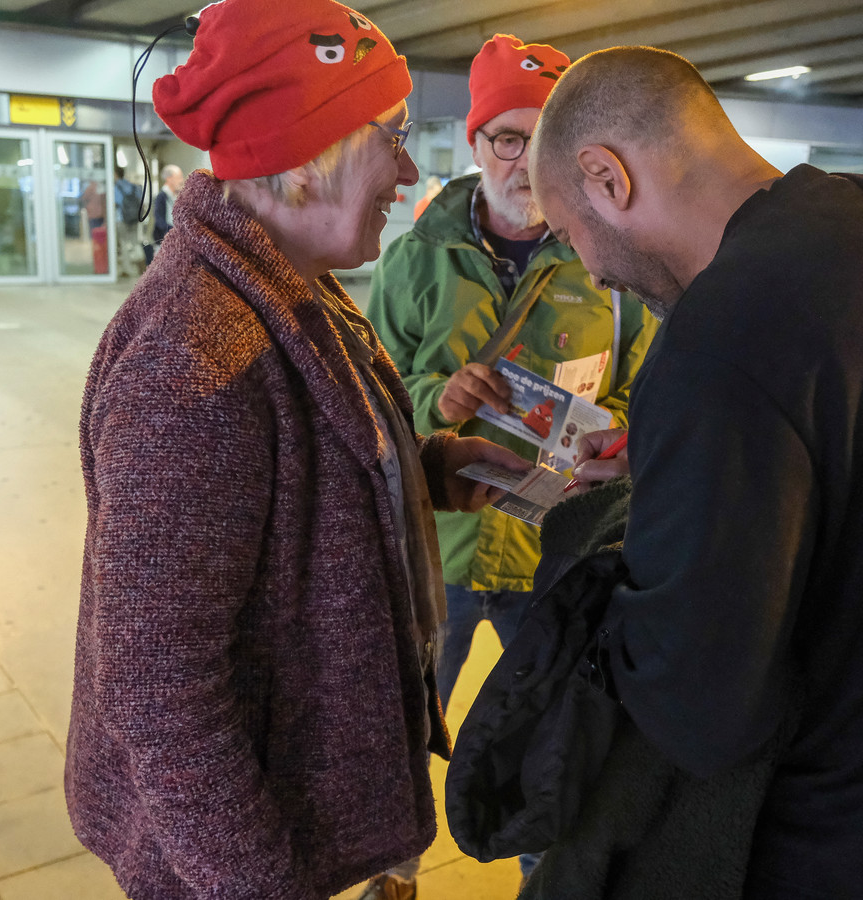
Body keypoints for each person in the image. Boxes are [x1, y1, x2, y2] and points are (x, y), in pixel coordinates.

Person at [530, 46, 863, 898]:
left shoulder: (717, 339)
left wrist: (612, 529)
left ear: (606, 177)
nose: (590, 271)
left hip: (830, 843)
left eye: (567, 231)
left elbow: (698, 710)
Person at [63, 3, 528, 899]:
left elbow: (292, 476)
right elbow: (158, 682)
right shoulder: (197, 358)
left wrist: (421, 470)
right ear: (301, 161)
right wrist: (257, 886)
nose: (408, 168)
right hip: (233, 856)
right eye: (389, 137)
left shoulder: (286, 284)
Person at [366, 32, 657, 887]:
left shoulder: (609, 261)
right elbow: (373, 395)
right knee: (407, 722)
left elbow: (647, 391)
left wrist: (619, 437)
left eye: (546, 138)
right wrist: (437, 399)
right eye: (505, 136)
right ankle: (395, 864)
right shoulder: (416, 258)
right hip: (445, 546)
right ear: (475, 142)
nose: (525, 160)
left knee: (553, 732)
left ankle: (545, 876)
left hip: (554, 549)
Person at [144, 163, 184, 264]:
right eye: (179, 177)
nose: (181, 180)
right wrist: (172, 230)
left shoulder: (175, 196)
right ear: (169, 179)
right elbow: (159, 219)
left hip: (173, 238)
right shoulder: (161, 197)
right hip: (163, 239)